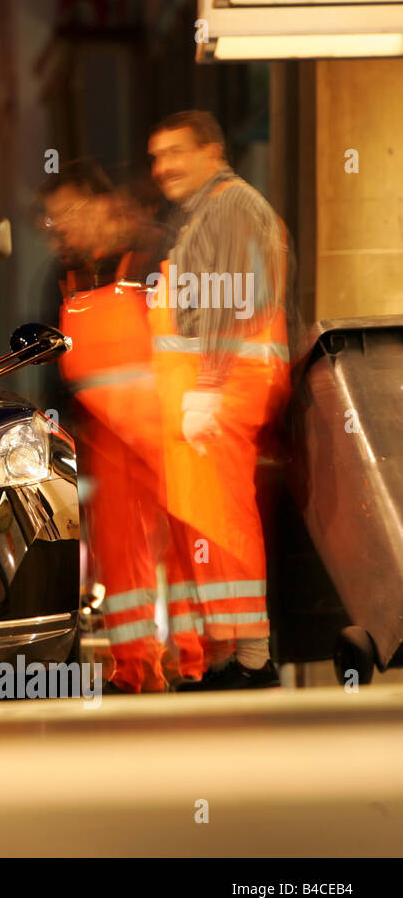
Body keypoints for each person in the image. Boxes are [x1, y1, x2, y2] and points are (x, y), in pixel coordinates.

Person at [39, 160, 203, 693]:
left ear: (103, 205)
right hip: (105, 439)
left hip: (169, 425)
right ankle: (136, 670)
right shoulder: (61, 278)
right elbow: (47, 361)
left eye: (66, 213)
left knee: (186, 547)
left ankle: (199, 662)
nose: (59, 227)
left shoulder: (158, 254)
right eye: (51, 220)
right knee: (118, 552)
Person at [146, 110, 290, 690]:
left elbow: (229, 298)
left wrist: (207, 385)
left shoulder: (228, 207)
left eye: (177, 152)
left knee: (224, 520)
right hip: (215, 385)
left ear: (213, 151)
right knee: (210, 520)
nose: (165, 167)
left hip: (223, 385)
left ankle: (252, 660)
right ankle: (234, 655)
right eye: (157, 156)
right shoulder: (213, 211)